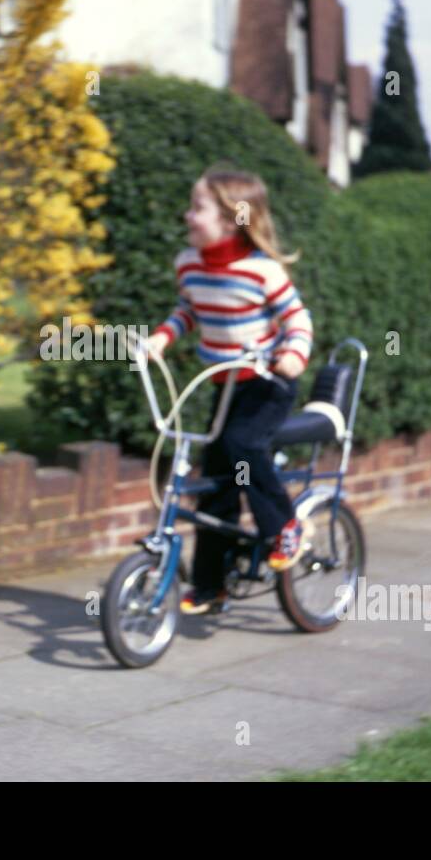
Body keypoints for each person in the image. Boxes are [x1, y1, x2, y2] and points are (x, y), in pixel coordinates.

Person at [144, 165, 313, 615]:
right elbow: (188, 310)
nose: (187, 216)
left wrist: (294, 354)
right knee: (217, 476)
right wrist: (164, 336)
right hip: (225, 384)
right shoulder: (189, 265)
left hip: (267, 382)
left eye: (197, 207)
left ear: (232, 217)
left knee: (243, 444)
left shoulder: (262, 272)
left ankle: (284, 527)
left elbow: (297, 319)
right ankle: (209, 583)